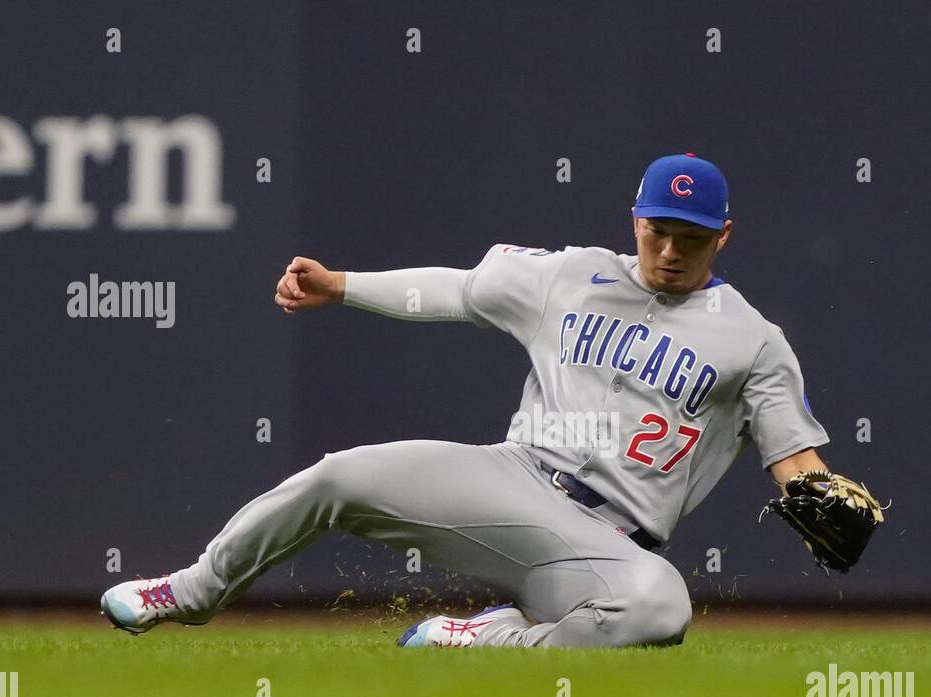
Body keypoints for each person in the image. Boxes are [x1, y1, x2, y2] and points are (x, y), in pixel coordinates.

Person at [100, 153, 834, 648]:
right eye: (658, 231)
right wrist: (341, 285)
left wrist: (820, 500)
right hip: (512, 481)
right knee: (338, 476)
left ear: (724, 236)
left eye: (691, 238)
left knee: (662, 606)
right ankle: (190, 590)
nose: (671, 250)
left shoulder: (754, 340)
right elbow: (454, 290)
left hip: (608, 546)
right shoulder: (572, 275)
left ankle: (485, 638)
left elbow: (795, 461)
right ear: (634, 219)